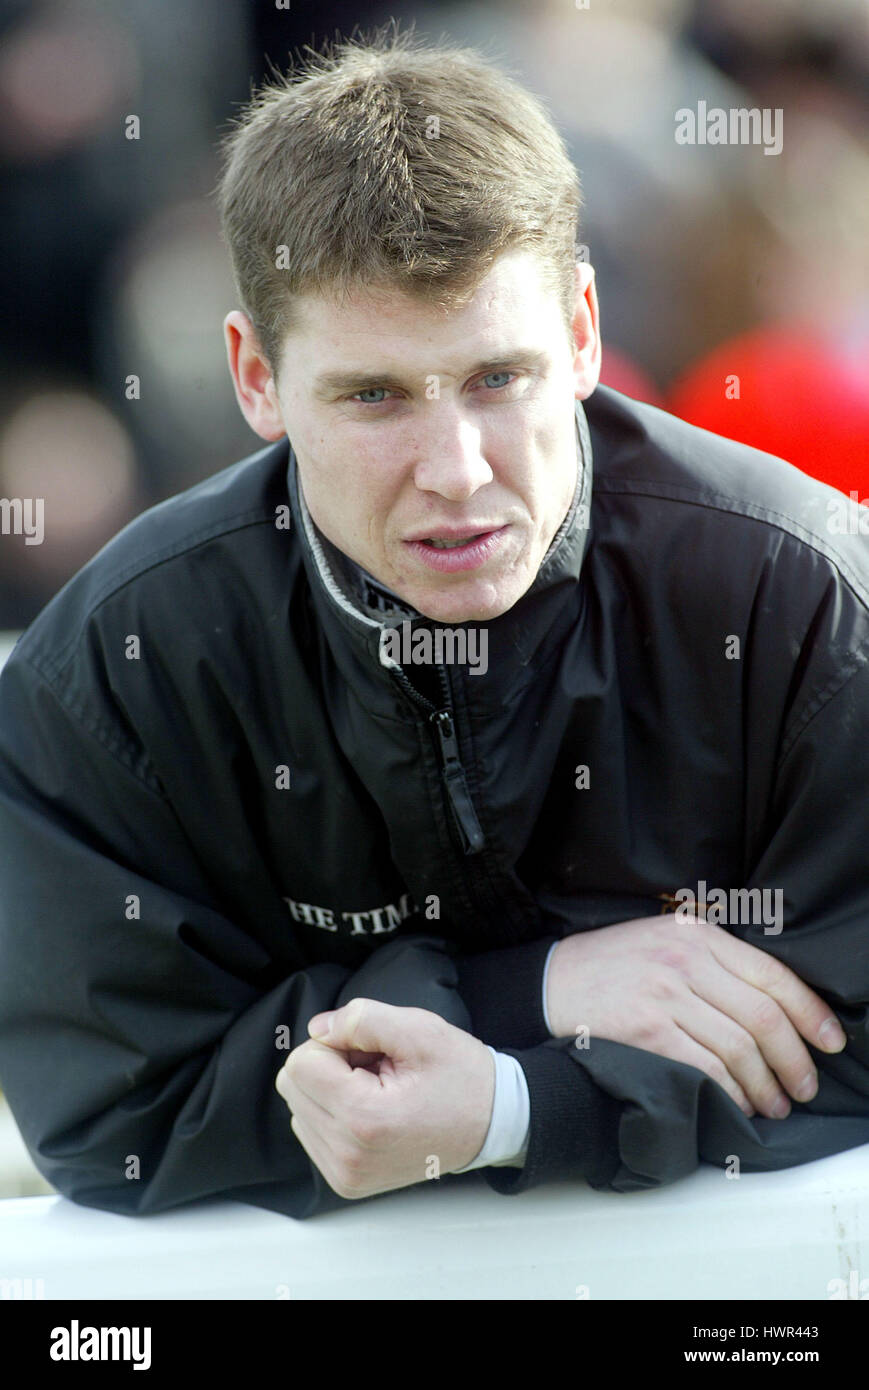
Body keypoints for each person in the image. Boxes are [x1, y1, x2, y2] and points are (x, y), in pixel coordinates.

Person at [0, 26, 868, 1221]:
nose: (455, 471)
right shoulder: (113, 670)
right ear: (255, 376)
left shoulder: (805, 597)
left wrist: (516, 1108)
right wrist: (535, 994)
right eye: (373, 396)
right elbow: (113, 1111)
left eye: (495, 378)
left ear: (580, 332)